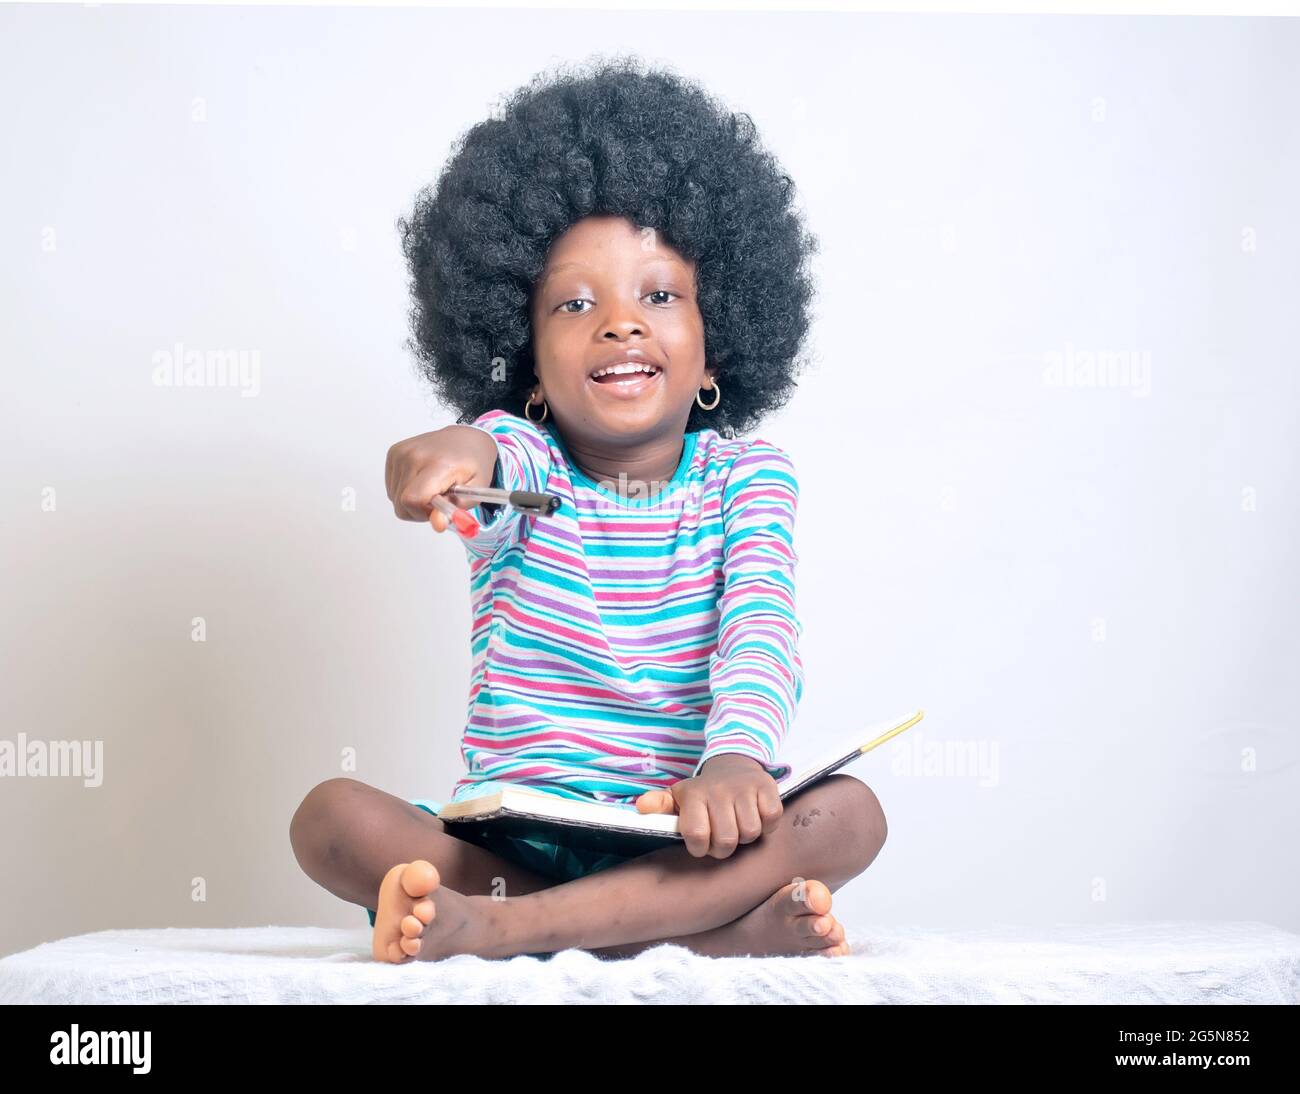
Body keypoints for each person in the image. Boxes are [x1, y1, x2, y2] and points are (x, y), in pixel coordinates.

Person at [290, 55, 888, 963]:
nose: (620, 322)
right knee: (328, 821)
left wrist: (733, 761)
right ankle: (701, 936)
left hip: (687, 833)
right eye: (575, 303)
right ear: (526, 366)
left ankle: (508, 931)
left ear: (717, 345)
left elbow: (761, 627)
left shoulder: (748, 478)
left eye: (659, 294)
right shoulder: (524, 471)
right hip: (514, 842)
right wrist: (444, 455)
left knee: (852, 815)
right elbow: (479, 454)